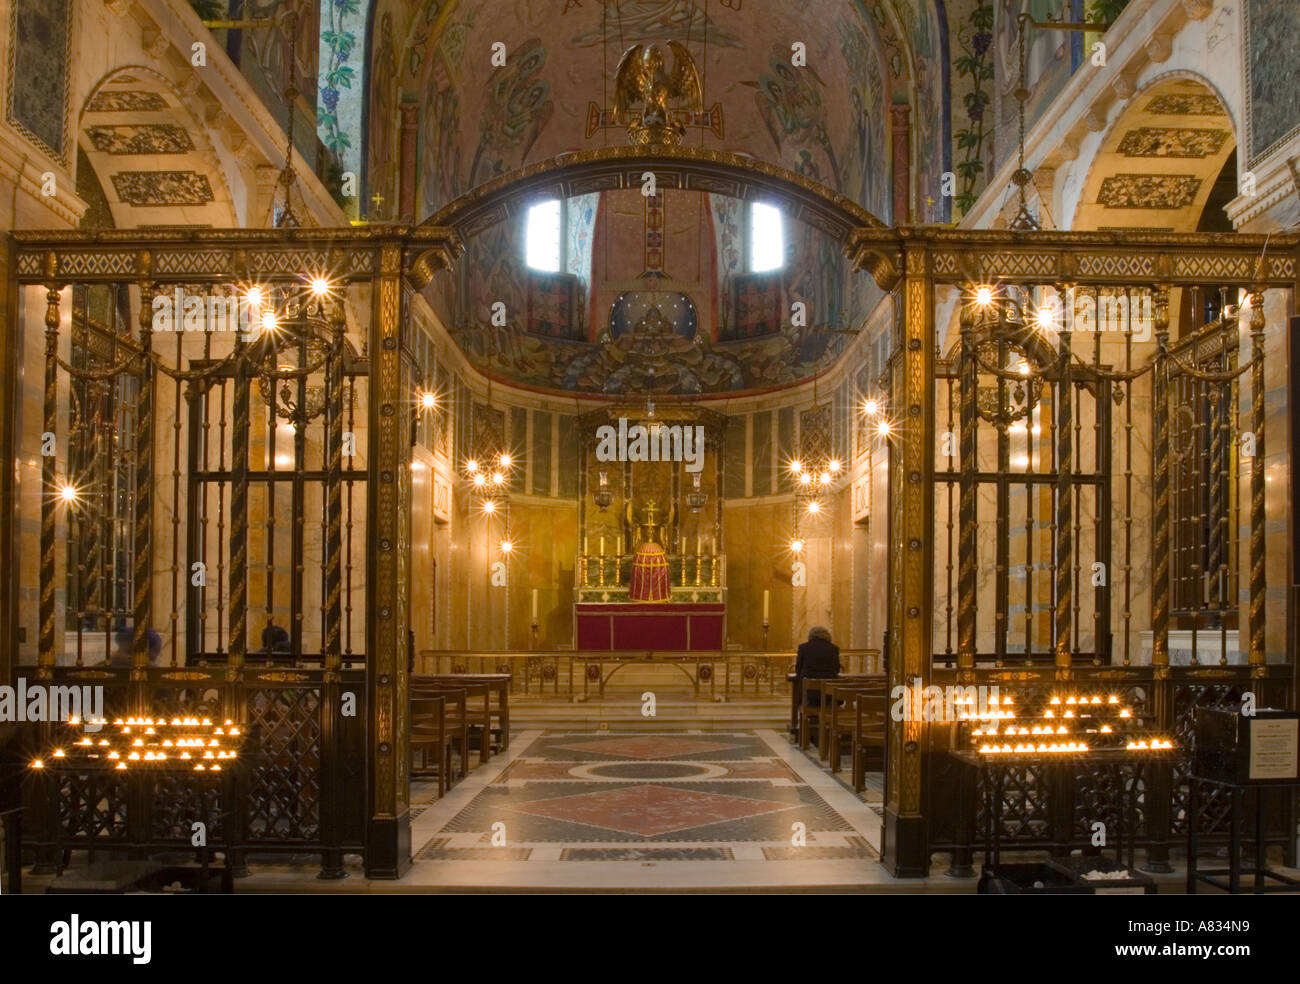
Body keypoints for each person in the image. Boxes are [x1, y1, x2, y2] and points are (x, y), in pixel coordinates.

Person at [795, 626, 840, 709]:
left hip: (808, 690)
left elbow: (798, 668)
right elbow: (836, 668)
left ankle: (809, 716)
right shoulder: (834, 648)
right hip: (828, 690)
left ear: (811, 635)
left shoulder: (803, 647)